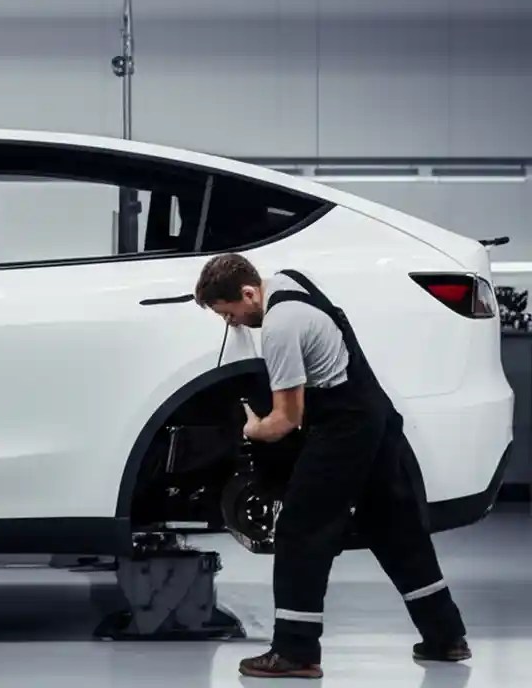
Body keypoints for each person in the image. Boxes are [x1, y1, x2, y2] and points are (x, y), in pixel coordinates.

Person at [192, 253, 470, 679]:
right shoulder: (291, 282)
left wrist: (253, 430)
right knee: (396, 530)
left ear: (249, 292)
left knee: (301, 529)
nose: (232, 322)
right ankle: (446, 635)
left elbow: (287, 419)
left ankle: (295, 651)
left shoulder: (280, 327)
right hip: (377, 415)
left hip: (344, 427)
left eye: (230, 313)